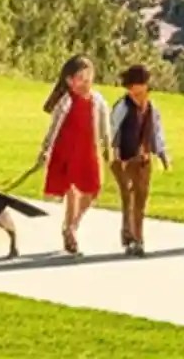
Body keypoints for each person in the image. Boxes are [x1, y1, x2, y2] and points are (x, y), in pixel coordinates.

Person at [38, 55, 112, 256]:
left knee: (93, 190)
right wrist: (45, 149)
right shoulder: (66, 101)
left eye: (89, 76)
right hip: (68, 150)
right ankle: (70, 232)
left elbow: (105, 126)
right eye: (81, 77)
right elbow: (54, 128)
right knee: (73, 191)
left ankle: (72, 225)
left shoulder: (98, 100)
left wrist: (107, 146)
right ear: (70, 81)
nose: (86, 81)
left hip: (89, 151)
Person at [109, 64, 172, 257]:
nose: (135, 91)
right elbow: (112, 131)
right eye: (132, 87)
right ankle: (130, 236)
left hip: (142, 160)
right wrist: (116, 156)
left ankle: (138, 238)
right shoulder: (122, 106)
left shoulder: (152, 109)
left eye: (139, 86)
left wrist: (162, 155)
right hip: (123, 159)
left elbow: (157, 134)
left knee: (141, 199)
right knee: (128, 196)